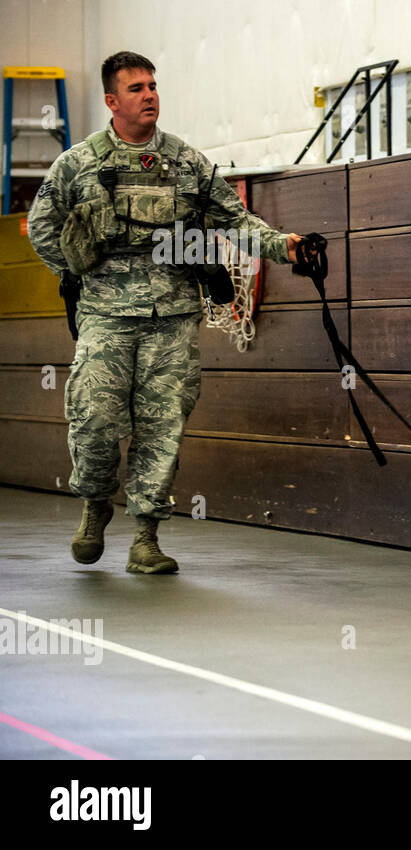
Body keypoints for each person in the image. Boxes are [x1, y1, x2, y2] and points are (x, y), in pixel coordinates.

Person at [27, 51, 302, 574]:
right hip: (106, 316)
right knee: (96, 419)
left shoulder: (186, 163)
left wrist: (283, 246)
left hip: (173, 316)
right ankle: (94, 507)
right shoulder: (77, 164)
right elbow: (42, 228)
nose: (149, 95)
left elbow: (234, 220)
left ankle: (146, 538)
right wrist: (80, 269)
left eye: (153, 86)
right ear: (112, 101)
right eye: (136, 89)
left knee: (163, 425)